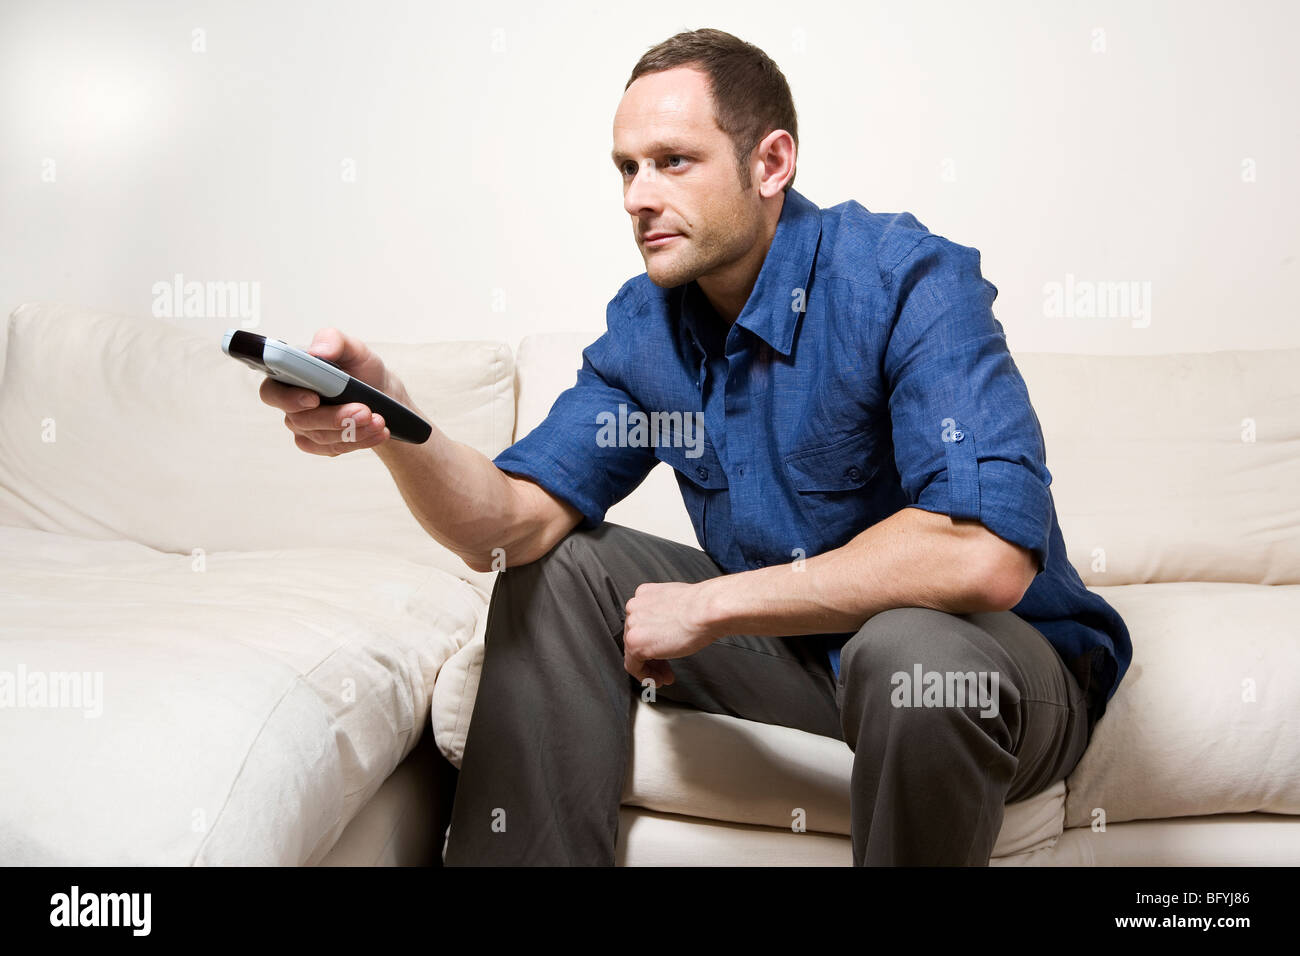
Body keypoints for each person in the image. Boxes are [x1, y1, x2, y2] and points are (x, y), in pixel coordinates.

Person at [258, 27, 1131, 866]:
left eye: (673, 161)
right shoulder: (648, 330)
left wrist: (712, 608)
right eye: (627, 169)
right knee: (561, 568)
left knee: (908, 651)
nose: (639, 196)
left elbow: (983, 555)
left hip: (994, 665)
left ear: (771, 163)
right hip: (804, 655)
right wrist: (396, 424)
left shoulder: (905, 278)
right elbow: (509, 527)